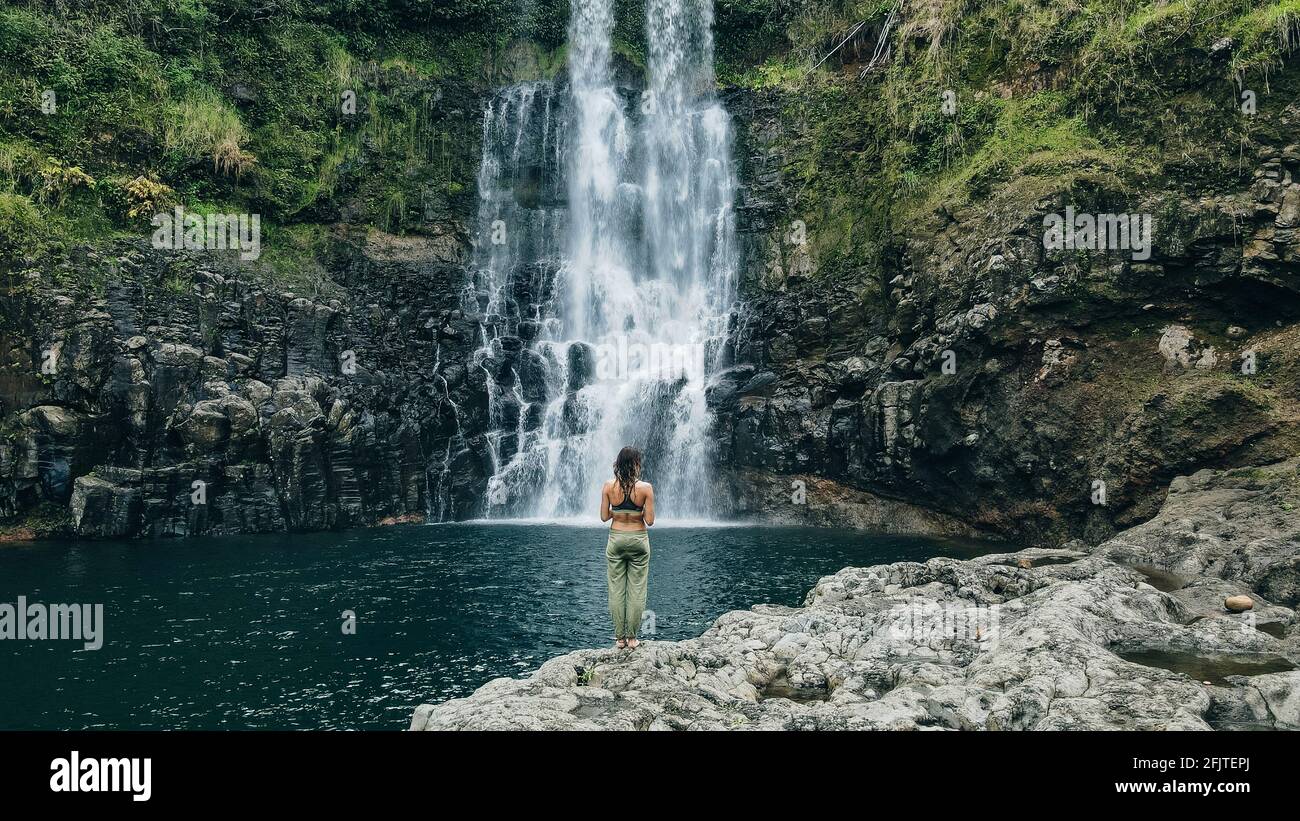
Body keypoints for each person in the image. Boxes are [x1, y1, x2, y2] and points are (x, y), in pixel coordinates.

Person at [600, 445, 655, 649]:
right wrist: (635, 514)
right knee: (637, 589)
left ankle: (620, 638)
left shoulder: (608, 486)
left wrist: (620, 513)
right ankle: (632, 638)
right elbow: (649, 520)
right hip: (638, 540)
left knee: (616, 589)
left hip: (616, 539)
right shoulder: (646, 488)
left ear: (618, 464)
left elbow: (604, 516)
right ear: (636, 464)